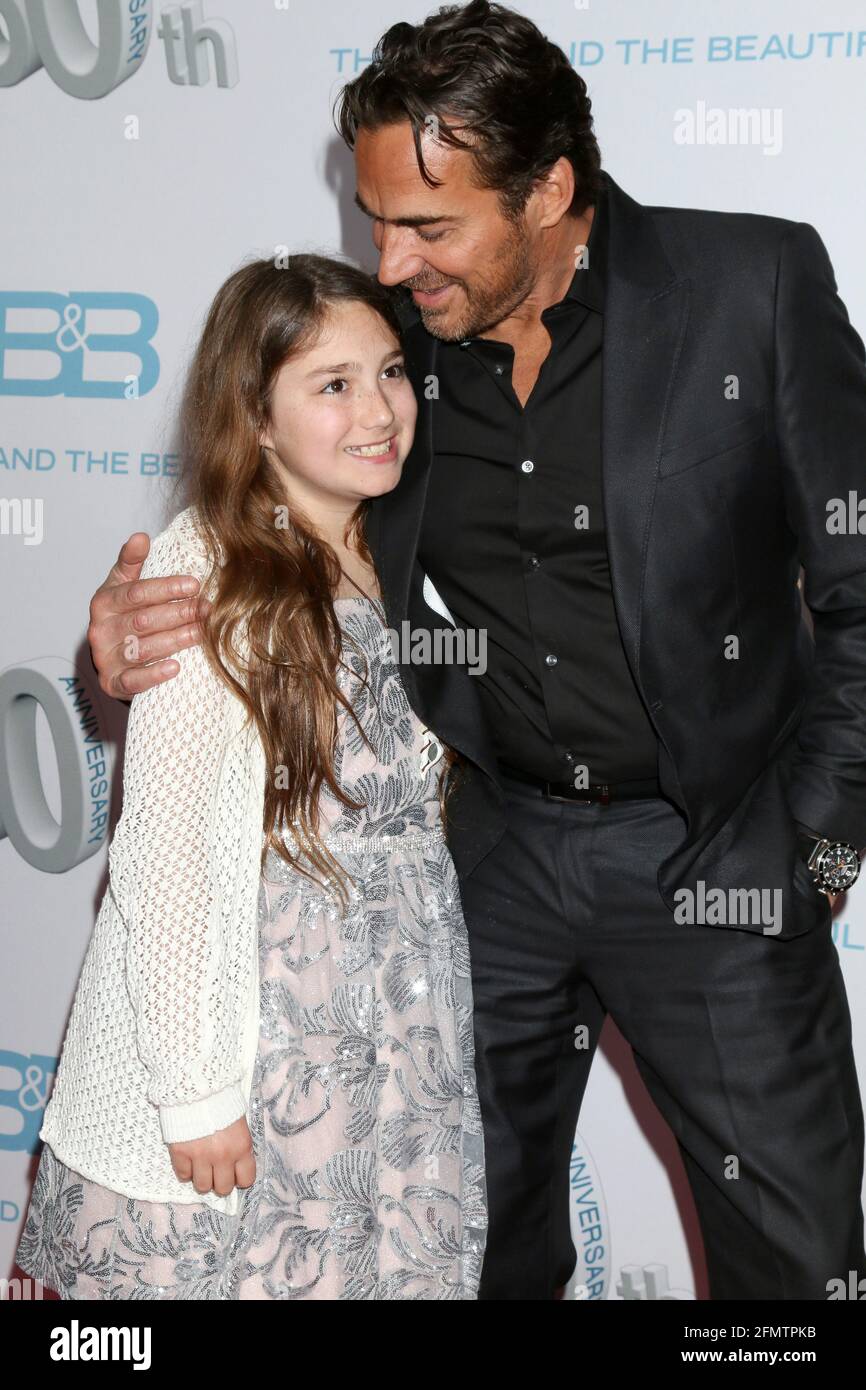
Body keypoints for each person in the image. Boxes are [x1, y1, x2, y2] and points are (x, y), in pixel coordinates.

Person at [82, 1, 866, 1300]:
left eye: (429, 226)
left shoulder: (748, 288)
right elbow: (266, 521)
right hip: (476, 854)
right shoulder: (394, 347)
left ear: (552, 189)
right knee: (449, 1251)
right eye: (374, 218)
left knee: (793, 1266)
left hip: (712, 851)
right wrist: (135, 630)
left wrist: (818, 855)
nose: (388, 263)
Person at [15, 253, 488, 1300]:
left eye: (391, 373)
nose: (378, 411)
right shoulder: (204, 568)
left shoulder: (400, 540)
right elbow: (166, 852)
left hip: (401, 1016)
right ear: (257, 419)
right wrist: (193, 1097)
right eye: (332, 384)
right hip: (270, 1024)